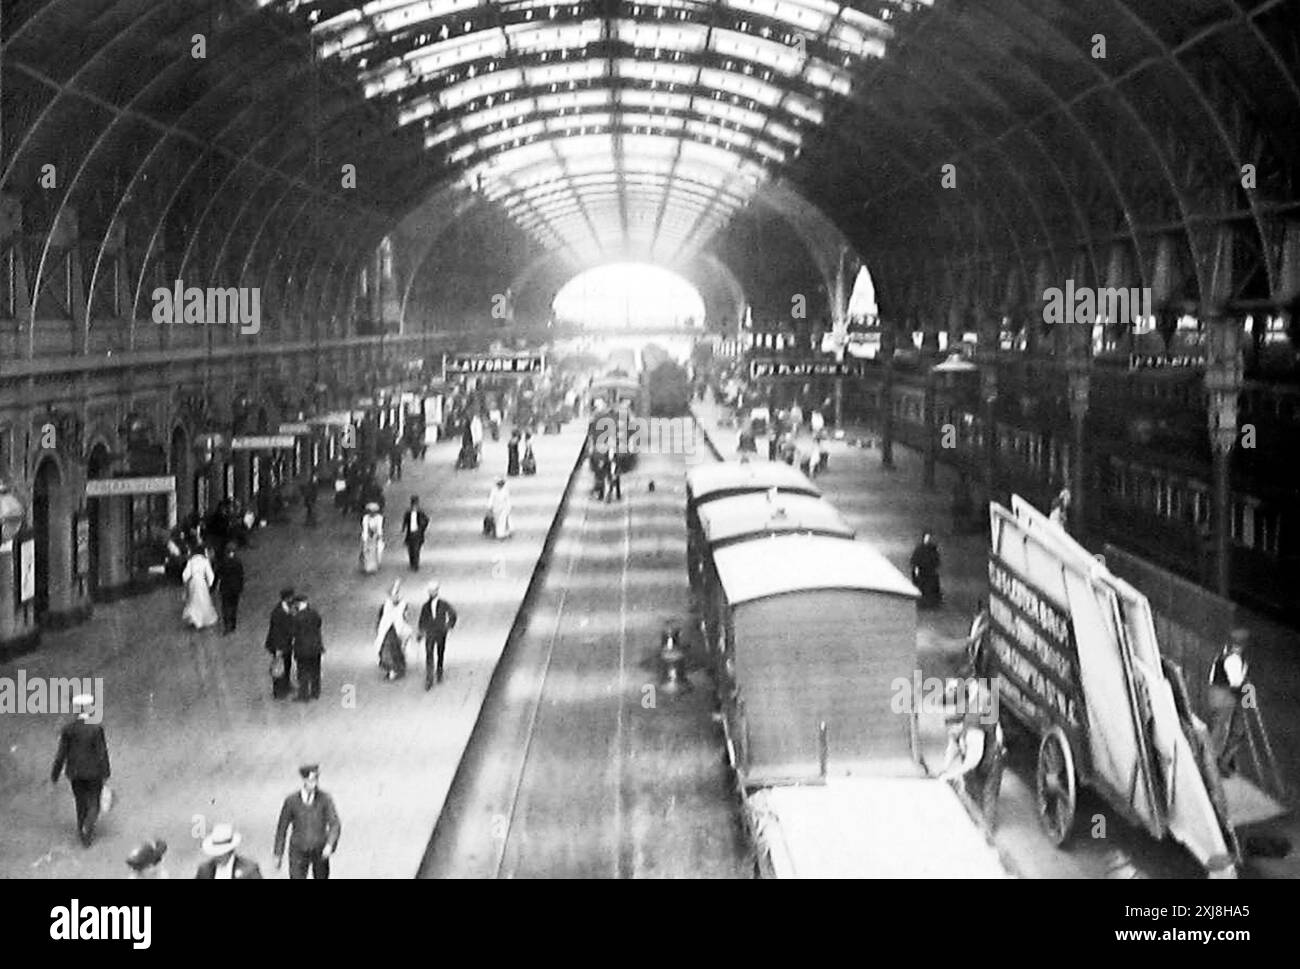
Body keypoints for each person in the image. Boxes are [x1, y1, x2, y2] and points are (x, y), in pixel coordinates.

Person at [50, 694, 110, 847]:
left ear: (76, 710)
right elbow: (102, 752)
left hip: (75, 773)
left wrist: (55, 775)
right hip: (94, 772)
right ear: (89, 709)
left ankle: (82, 833)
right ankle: (87, 828)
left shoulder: (68, 729)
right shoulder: (96, 728)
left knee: (80, 802)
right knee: (94, 803)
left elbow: (61, 754)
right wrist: (106, 772)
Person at [273, 765, 342, 880]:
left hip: (319, 851)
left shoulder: (325, 799)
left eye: (316, 780)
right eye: (311, 780)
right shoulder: (292, 801)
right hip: (298, 851)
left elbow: (335, 824)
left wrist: (329, 845)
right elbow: (282, 829)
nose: (314, 784)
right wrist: (278, 854)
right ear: (304, 780)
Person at [1208, 629, 1251, 776]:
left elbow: (1212, 676)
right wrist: (1244, 675)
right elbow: (1235, 682)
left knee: (1217, 728)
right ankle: (1210, 766)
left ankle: (1213, 763)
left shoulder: (1221, 655)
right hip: (1225, 696)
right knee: (1220, 732)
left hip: (1215, 694)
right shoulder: (1234, 659)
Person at [418, 581, 458, 689]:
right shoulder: (425, 606)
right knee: (429, 654)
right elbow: (422, 620)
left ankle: (439, 671)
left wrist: (449, 626)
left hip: (441, 633)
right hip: (430, 633)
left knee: (440, 653)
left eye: (433, 591)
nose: (431, 593)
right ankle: (429, 679)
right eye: (430, 591)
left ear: (437, 591)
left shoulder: (444, 604)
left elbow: (453, 614)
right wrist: (421, 632)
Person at [195, 823, 262, 879]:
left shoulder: (249, 870)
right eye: (216, 853)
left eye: (222, 853)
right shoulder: (204, 870)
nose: (218, 857)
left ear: (230, 852)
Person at [265, 587, 297, 700]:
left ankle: (286, 685)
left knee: (287, 664)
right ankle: (278, 691)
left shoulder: (288, 608)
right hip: (279, 644)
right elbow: (276, 632)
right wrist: (278, 649)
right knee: (279, 666)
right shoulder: (278, 612)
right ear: (287, 598)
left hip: (287, 643)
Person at [291, 593, 324, 702]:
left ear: (298, 604)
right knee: (315, 670)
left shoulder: (297, 617)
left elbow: (293, 632)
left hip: (303, 649)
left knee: (303, 671)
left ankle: (304, 694)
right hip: (316, 647)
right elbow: (319, 624)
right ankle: (315, 692)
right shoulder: (315, 613)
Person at [376, 581, 409, 681]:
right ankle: (391, 669)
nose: (395, 597)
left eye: (396, 595)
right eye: (393, 596)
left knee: (398, 650)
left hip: (398, 630)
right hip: (387, 631)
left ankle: (397, 669)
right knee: (387, 651)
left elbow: (404, 617)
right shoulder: (385, 606)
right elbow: (381, 618)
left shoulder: (403, 605)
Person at [181, 546, 219, 629]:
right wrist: (209, 585)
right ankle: (202, 619)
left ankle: (194, 619)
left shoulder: (191, 561)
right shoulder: (205, 561)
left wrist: (186, 583)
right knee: (203, 600)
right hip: (202, 582)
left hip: (193, 582)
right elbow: (210, 575)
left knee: (193, 601)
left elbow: (185, 575)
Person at [214, 545, 245, 635]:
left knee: (226, 607)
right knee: (234, 606)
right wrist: (240, 587)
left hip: (225, 588)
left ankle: (227, 625)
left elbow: (218, 573)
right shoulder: (237, 562)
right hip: (235, 588)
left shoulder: (223, 562)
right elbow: (241, 575)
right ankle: (233, 625)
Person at [910, 531, 942, 608]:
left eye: (929, 538)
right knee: (922, 586)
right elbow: (915, 561)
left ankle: (932, 601)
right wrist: (916, 569)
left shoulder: (933, 549)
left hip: (930, 571)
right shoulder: (919, 549)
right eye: (926, 538)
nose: (928, 540)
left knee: (932, 586)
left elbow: (937, 560)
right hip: (922, 571)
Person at [401, 495, 430, 571]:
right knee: (410, 549)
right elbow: (405, 521)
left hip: (418, 533)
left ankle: (416, 564)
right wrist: (403, 529)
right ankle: (412, 562)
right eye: (413, 504)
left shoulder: (420, 512)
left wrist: (422, 528)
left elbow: (426, 520)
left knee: (416, 549)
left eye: (415, 504)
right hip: (410, 533)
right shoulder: (408, 512)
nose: (414, 506)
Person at [360, 501, 384, 573]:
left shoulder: (379, 518)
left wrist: (379, 536)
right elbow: (365, 528)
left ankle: (375, 565)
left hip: (376, 536)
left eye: (373, 511)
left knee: (377, 550)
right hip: (368, 536)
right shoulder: (366, 518)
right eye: (370, 511)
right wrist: (365, 538)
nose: (372, 513)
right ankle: (367, 566)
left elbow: (379, 527)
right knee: (367, 551)